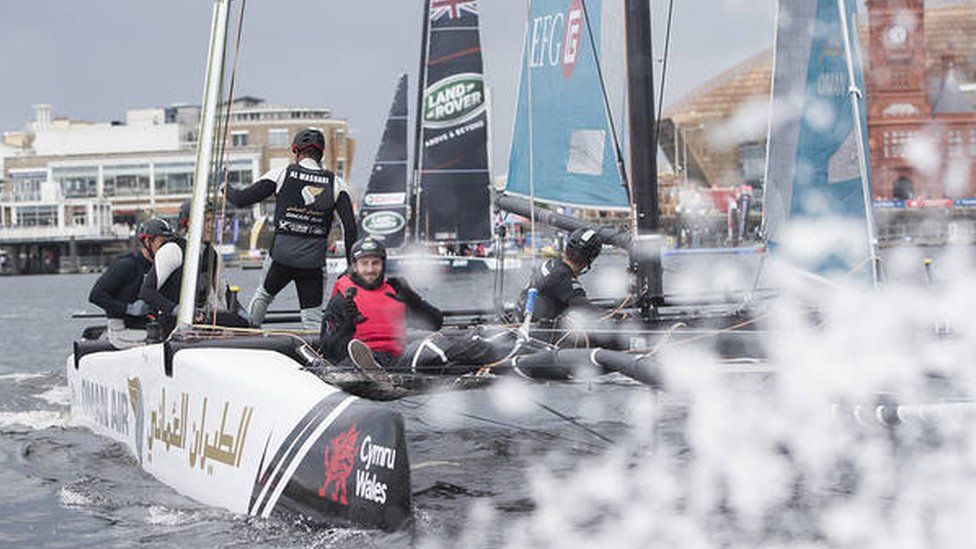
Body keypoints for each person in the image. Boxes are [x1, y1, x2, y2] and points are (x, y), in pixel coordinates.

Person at [222, 128, 357, 330]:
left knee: (263, 295)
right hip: (312, 263)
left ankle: (250, 333)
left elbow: (241, 200)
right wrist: (351, 268)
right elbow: (350, 229)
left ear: (296, 151)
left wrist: (223, 187)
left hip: (281, 258)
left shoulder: (282, 173)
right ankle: (318, 355)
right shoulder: (336, 183)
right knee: (312, 318)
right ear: (320, 154)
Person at [517, 227, 603, 325]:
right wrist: (617, 318)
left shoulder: (552, 263)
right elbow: (586, 309)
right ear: (590, 259)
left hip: (520, 319)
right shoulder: (563, 278)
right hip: (536, 332)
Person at [88, 229, 156, 349]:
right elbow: (96, 295)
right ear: (147, 241)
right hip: (122, 329)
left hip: (146, 326)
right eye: (161, 242)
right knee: (162, 340)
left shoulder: (158, 267)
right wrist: (128, 309)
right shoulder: (127, 265)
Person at [137, 217, 185, 338]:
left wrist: (176, 310)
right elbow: (147, 292)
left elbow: (147, 292)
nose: (164, 246)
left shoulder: (169, 253)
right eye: (162, 242)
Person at [177, 198, 221, 310]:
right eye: (207, 220)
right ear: (190, 223)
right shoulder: (175, 250)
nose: (212, 226)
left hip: (200, 315)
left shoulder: (212, 255)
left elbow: (223, 292)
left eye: (213, 221)